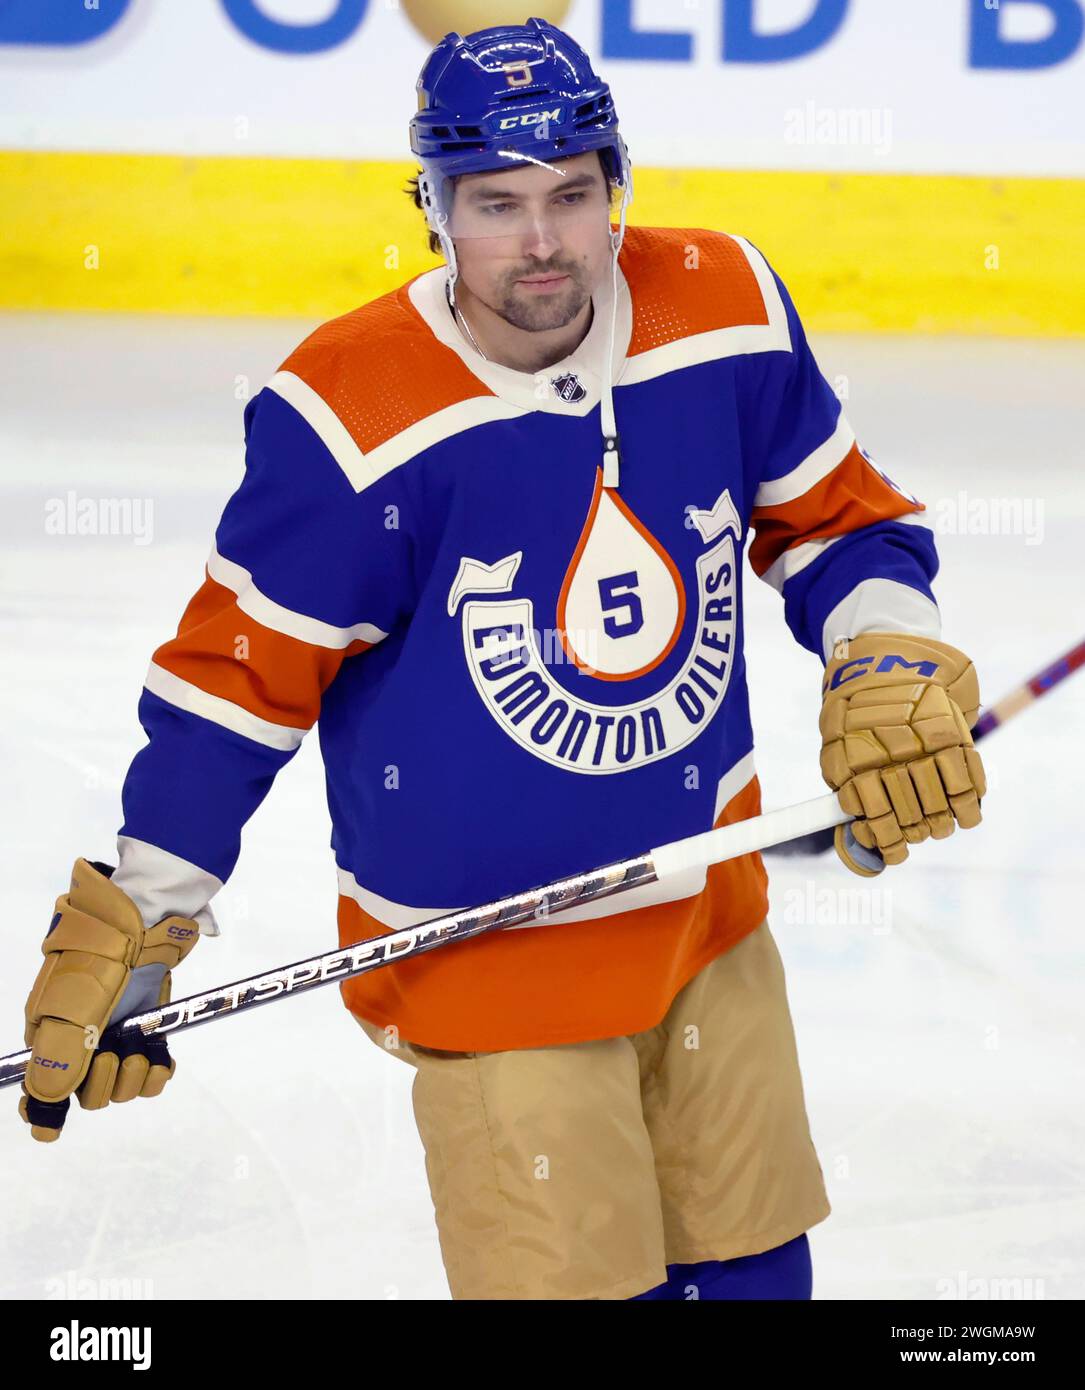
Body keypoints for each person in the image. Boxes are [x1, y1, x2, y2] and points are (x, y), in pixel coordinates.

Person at [18, 18, 987, 1301]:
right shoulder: (346, 418)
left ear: (615, 187)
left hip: (707, 923)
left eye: (572, 196)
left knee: (759, 1281)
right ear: (432, 207)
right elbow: (235, 693)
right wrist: (144, 906)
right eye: (496, 203)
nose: (541, 242)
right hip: (486, 966)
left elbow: (838, 519)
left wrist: (883, 654)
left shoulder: (723, 305)